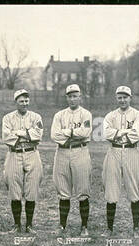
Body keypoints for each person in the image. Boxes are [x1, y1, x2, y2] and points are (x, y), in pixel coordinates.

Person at [101, 86, 139, 238]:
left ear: (130, 98)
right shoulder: (110, 116)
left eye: (125, 97)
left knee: (134, 189)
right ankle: (109, 228)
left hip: (132, 151)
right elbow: (107, 134)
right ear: (116, 98)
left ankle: (136, 227)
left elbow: (138, 134)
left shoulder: (137, 114)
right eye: (120, 97)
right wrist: (124, 133)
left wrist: (117, 134)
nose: (122, 100)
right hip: (113, 151)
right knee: (111, 189)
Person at [51, 84, 94, 237]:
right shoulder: (59, 115)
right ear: (66, 98)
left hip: (80, 151)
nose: (72, 98)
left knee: (83, 190)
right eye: (70, 96)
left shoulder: (86, 114)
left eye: (75, 95)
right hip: (62, 152)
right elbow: (54, 135)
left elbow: (85, 132)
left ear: (80, 97)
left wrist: (67, 132)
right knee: (63, 190)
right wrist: (74, 133)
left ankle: (84, 226)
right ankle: (62, 225)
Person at [0, 89, 42, 234]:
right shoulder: (7, 118)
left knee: (32, 189)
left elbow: (38, 136)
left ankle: (29, 225)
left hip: (32, 152)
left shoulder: (36, 117)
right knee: (14, 189)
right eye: (21, 101)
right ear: (16, 102)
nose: (24, 103)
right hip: (14, 153)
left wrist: (18, 133)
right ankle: (17, 225)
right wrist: (28, 134)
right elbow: (6, 138)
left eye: (26, 100)